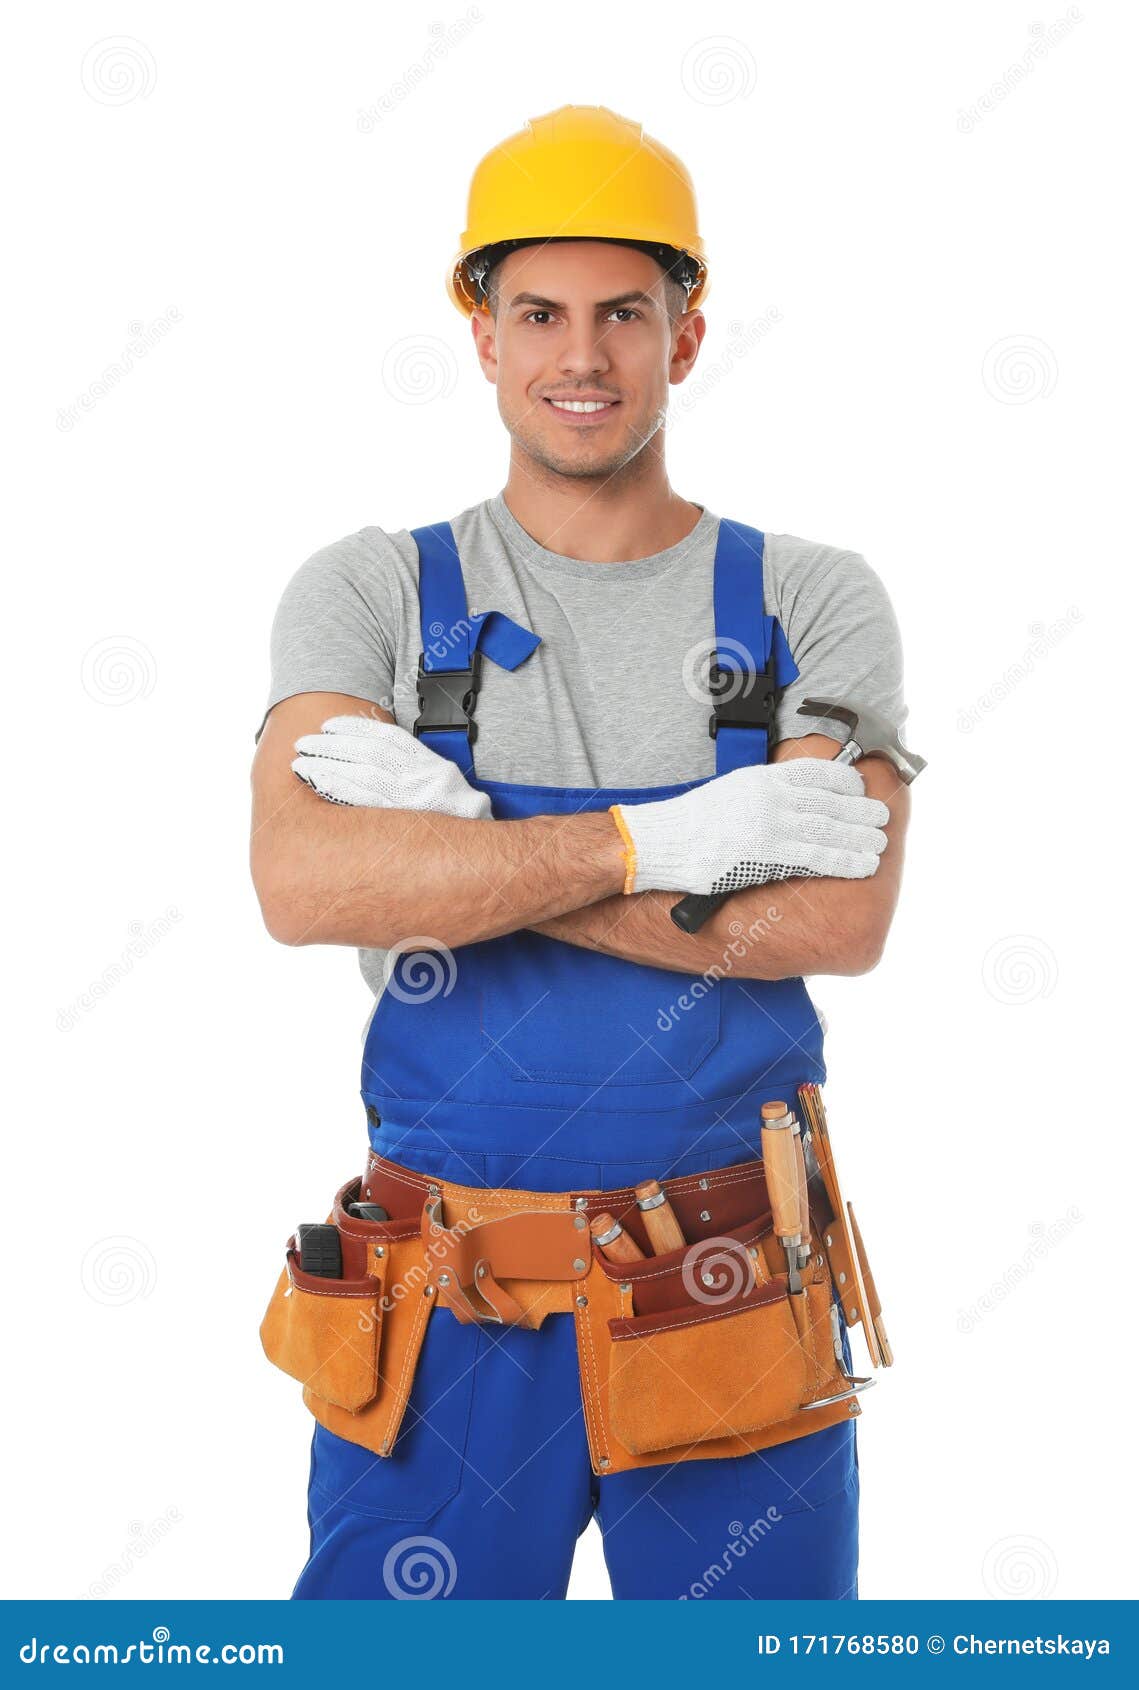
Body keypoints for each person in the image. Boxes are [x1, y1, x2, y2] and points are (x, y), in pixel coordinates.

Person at [251, 105, 911, 1600]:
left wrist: (465, 835)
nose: (583, 358)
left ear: (686, 337)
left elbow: (836, 918)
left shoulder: (811, 597)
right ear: (478, 332)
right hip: (443, 1308)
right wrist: (671, 843)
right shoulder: (371, 593)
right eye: (538, 311)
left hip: (730, 1299)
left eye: (627, 312)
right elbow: (306, 882)